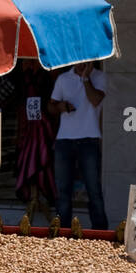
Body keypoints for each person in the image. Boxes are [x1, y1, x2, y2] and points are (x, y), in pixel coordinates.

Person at [48, 60, 108, 230]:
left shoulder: (100, 77)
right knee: (63, 190)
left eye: (85, 60)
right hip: (64, 140)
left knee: (93, 189)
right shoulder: (63, 78)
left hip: (89, 139)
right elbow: (51, 107)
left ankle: (100, 233)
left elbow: (96, 100)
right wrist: (61, 106)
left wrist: (86, 79)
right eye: (78, 60)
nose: (81, 63)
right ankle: (63, 232)